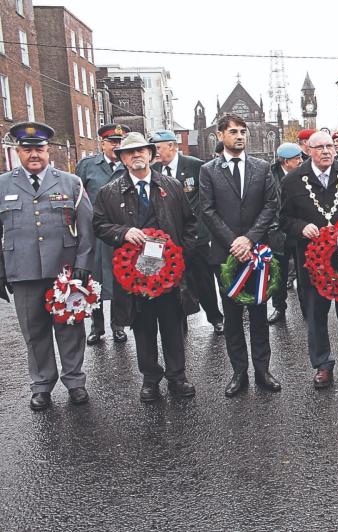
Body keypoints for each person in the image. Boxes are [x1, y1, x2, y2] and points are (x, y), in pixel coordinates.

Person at [93, 132, 198, 403]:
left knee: (173, 326)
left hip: (170, 275)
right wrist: (123, 232)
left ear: (151, 154)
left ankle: (178, 376)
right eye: (130, 152)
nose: (136, 155)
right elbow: (100, 226)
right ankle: (150, 379)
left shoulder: (172, 186)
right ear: (123, 159)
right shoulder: (108, 193)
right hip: (134, 278)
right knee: (143, 327)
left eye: (142, 151)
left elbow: (190, 224)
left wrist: (180, 256)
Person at [0, 122, 93, 411]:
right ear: (18, 151)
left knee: (70, 328)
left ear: (48, 150)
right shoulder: (3, 185)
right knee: (35, 333)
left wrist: (82, 265)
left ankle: (75, 381)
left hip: (63, 272)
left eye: (39, 149)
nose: (34, 155)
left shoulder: (70, 183)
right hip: (23, 272)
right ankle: (41, 386)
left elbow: (87, 228)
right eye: (27, 150)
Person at [279, 131, 338, 389]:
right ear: (308, 150)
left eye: (330, 146)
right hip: (312, 261)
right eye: (319, 147)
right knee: (316, 312)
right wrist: (301, 227)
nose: (326, 151)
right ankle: (322, 364)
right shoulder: (293, 181)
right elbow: (283, 219)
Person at [199, 114, 282, 397]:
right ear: (220, 135)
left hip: (257, 251)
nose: (240, 136)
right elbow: (207, 210)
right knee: (233, 317)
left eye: (243, 131)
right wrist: (234, 242)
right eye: (233, 131)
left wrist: (250, 239)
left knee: (258, 313)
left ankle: (262, 369)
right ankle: (239, 372)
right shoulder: (209, 170)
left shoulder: (261, 168)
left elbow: (271, 204)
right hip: (226, 254)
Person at [150, 129, 224, 335]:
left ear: (172, 146)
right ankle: (179, 321)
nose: (154, 152)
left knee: (204, 280)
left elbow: (210, 198)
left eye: (157, 148)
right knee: (172, 280)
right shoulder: (153, 170)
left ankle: (215, 317)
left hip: (196, 236)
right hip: (167, 239)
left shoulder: (195, 166)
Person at [76, 123, 130, 345]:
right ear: (102, 143)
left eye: (120, 142)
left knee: (119, 280)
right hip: (95, 234)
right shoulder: (88, 166)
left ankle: (118, 325)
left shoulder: (128, 166)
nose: (117, 146)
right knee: (94, 281)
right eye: (113, 142)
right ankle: (96, 327)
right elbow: (76, 197)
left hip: (120, 233)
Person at [267, 142, 304, 324]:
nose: (300, 161)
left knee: (304, 271)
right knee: (278, 275)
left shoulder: (304, 174)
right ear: (285, 161)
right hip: (277, 233)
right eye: (297, 158)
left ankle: (307, 306)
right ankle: (279, 307)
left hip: (299, 230)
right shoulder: (269, 176)